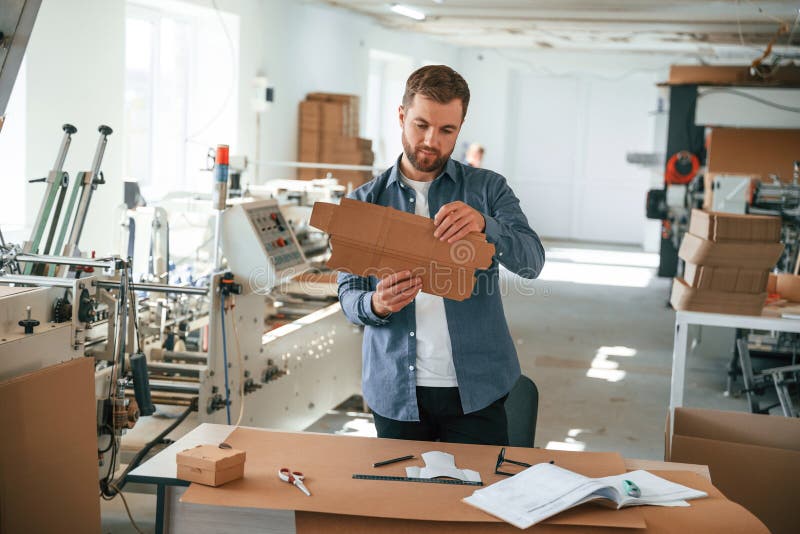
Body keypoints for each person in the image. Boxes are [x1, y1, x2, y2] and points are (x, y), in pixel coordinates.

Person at [337, 65, 545, 445]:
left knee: (479, 486)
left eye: (447, 130)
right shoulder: (364, 203)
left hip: (477, 390)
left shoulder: (488, 190)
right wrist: (376, 304)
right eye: (421, 125)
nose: (431, 141)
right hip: (395, 390)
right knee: (400, 486)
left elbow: (532, 262)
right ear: (401, 116)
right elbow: (349, 296)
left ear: (460, 127)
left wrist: (485, 225)